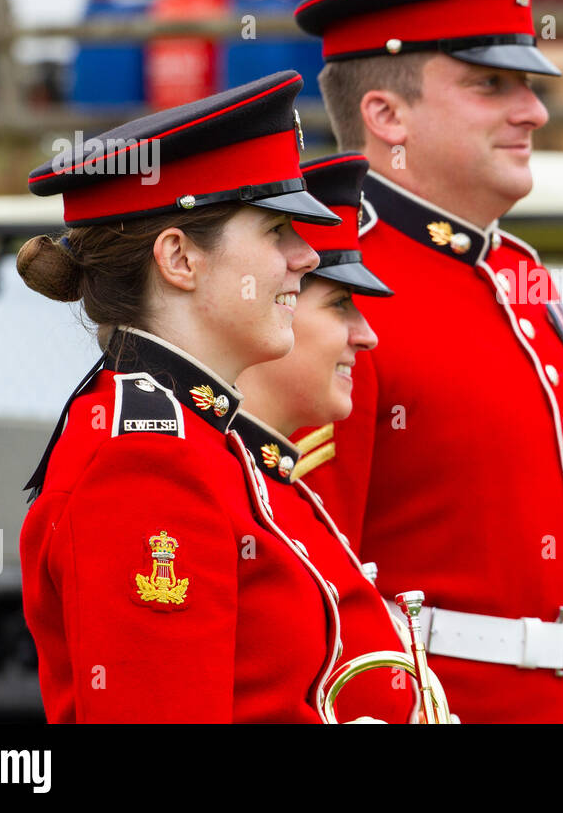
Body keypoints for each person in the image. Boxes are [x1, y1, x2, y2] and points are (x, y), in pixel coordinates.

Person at [292, 0, 563, 723]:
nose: (535, 111)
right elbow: (307, 573)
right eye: (492, 85)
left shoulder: (517, 270)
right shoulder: (329, 279)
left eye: (529, 85)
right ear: (386, 115)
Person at [17, 70, 355, 723]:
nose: (307, 257)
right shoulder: (145, 462)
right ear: (179, 258)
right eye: (276, 231)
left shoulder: (197, 438)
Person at [235, 151, 416, 724]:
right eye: (341, 304)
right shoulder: (215, 483)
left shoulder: (279, 490)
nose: (367, 337)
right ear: (274, 308)